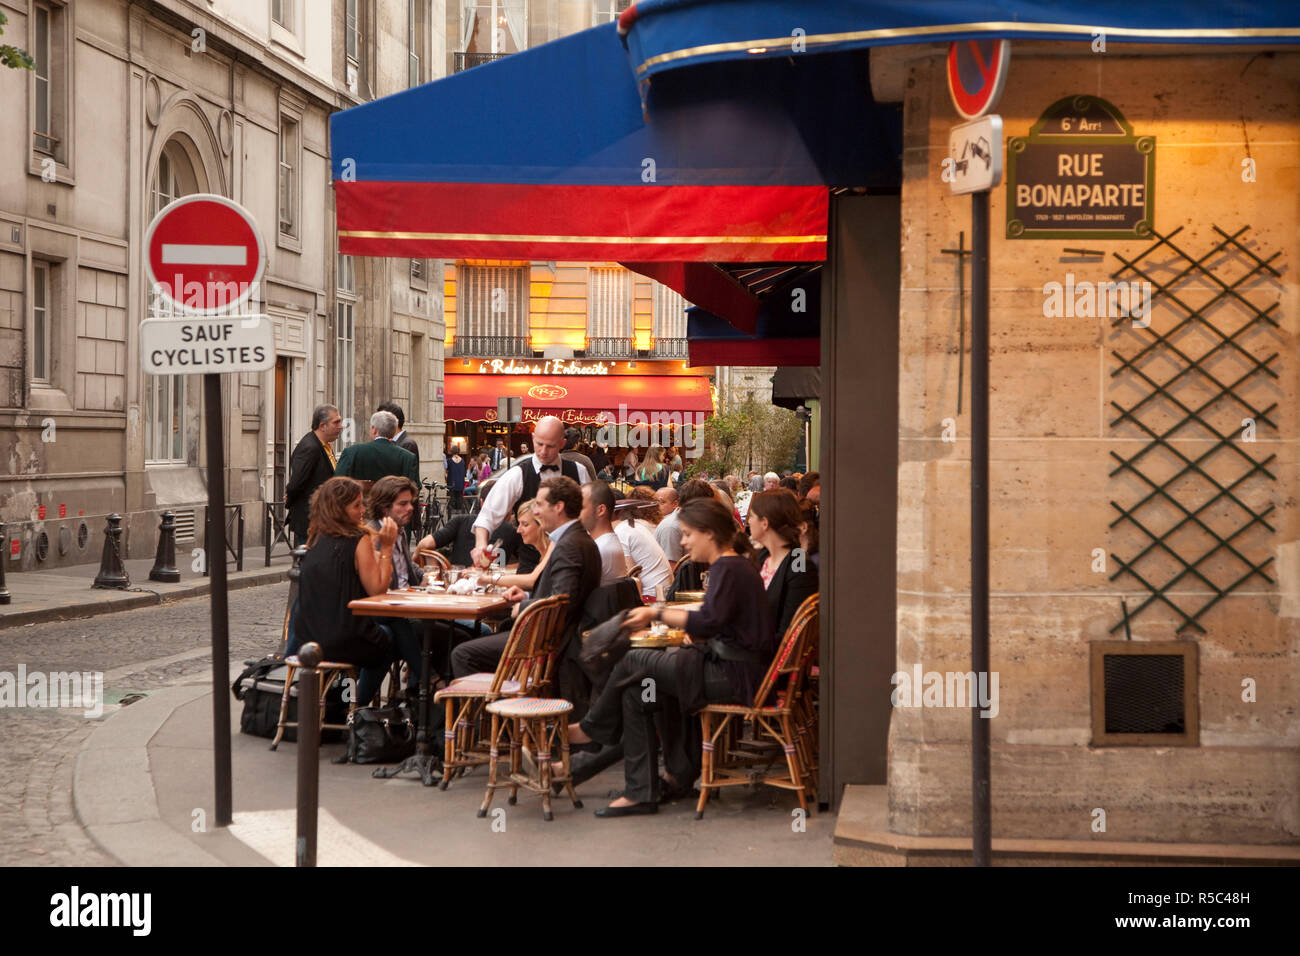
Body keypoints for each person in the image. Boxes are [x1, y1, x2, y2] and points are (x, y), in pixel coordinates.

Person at [569, 497, 775, 815]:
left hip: (733, 675)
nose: (682, 541)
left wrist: (656, 612)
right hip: (735, 670)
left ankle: (591, 729)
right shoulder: (735, 565)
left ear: (709, 533)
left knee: (633, 659)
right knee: (638, 694)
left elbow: (709, 621)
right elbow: (717, 622)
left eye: (688, 533)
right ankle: (657, 784)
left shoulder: (728, 567)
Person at [451, 476, 600, 678]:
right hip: (552, 637)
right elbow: (561, 596)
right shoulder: (575, 539)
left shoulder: (570, 545)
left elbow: (562, 602)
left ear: (558, 507)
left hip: (547, 643)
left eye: (539, 505)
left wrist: (522, 607)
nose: (536, 511)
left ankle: (494, 707)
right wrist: (527, 598)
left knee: (463, 654)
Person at [295, 477, 422, 706]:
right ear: (339, 509)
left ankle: (345, 701)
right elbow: (377, 589)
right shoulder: (358, 540)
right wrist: (385, 546)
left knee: (392, 627)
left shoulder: (315, 538)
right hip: (342, 638)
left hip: (307, 639)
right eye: (357, 505)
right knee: (390, 640)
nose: (363, 510)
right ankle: (357, 705)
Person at [470, 416, 590, 567]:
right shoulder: (517, 474)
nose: (543, 451)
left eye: (551, 446)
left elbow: (589, 517)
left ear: (562, 443)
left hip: (572, 562)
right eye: (539, 444)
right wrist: (481, 545)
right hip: (530, 564)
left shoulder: (579, 471)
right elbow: (487, 516)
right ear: (533, 438)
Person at [747, 490, 819, 637]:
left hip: (765, 654)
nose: (748, 521)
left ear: (765, 523)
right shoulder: (762, 556)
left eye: (752, 516)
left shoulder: (799, 562)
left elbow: (790, 632)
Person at [285, 404, 342, 546]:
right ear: (322, 426)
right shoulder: (310, 447)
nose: (340, 426)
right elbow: (296, 483)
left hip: (323, 519)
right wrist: (290, 498)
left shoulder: (325, 445)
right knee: (309, 562)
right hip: (310, 521)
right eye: (336, 422)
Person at [334, 411, 419, 486]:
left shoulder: (351, 452)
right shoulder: (408, 458)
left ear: (374, 430)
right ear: (393, 432)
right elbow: (414, 488)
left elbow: (336, 484)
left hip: (359, 503)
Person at [613, 503, 673, 600]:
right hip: (664, 591)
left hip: (654, 596)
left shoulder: (621, 532)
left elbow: (632, 577)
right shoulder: (634, 526)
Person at [580, 480, 629, 585]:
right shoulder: (604, 543)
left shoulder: (601, 548)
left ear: (601, 510)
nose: (575, 512)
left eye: (580, 507)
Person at [653, 487, 683, 561]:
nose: (656, 506)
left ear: (675, 504)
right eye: (655, 502)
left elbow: (672, 564)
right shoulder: (667, 521)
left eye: (661, 502)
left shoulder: (669, 527)